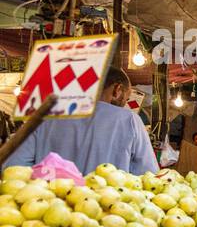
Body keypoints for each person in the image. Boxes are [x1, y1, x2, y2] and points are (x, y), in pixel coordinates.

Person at [3, 67, 158, 175]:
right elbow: (148, 175)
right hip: (109, 214)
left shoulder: (44, 117)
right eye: (125, 97)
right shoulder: (129, 119)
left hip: (48, 211)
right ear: (117, 90)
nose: (124, 103)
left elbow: (13, 168)